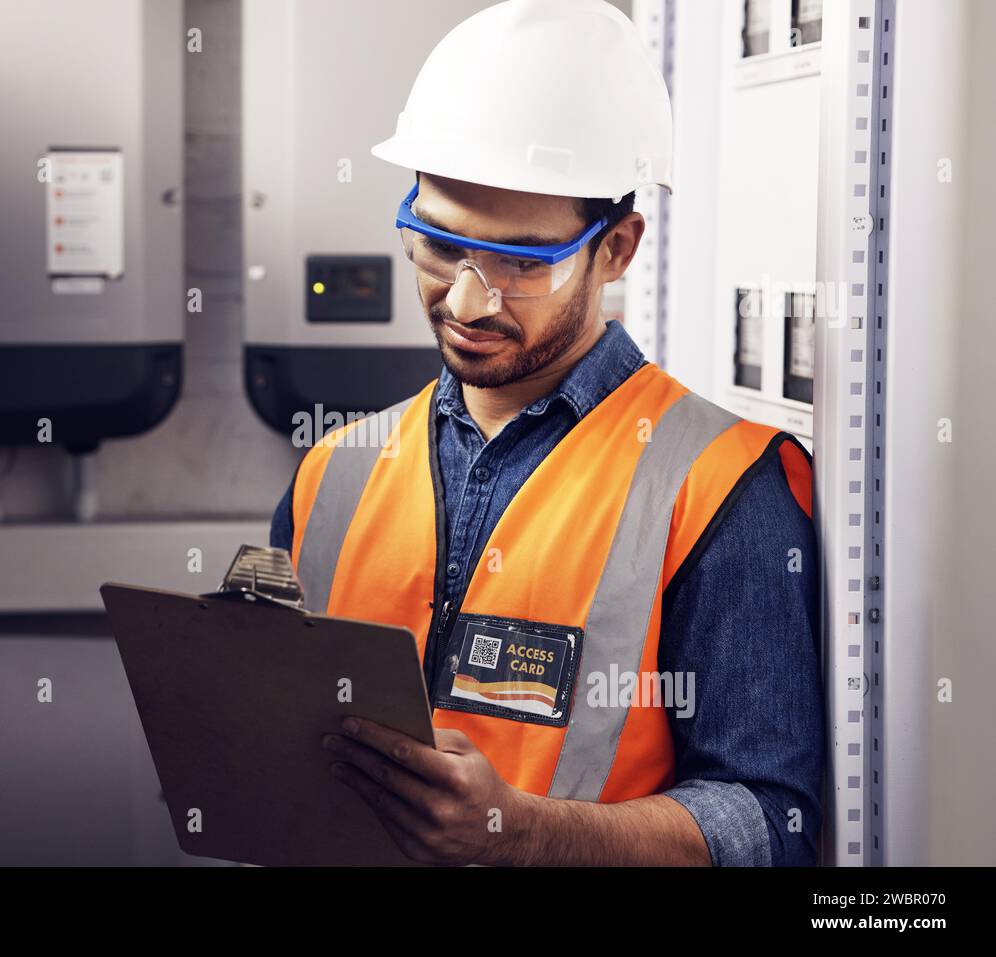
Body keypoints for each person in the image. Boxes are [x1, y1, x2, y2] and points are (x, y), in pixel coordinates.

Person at [269, 0, 822, 866]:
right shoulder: (333, 470)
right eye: (440, 243)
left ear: (619, 247)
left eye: (523, 263)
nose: (464, 300)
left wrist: (525, 833)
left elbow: (769, 822)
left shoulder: (722, 484)